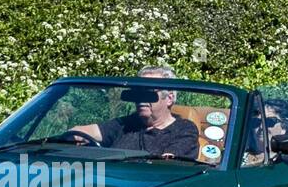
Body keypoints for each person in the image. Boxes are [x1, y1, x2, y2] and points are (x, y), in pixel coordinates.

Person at [70, 66, 199, 160]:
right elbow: (81, 132)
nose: (141, 97)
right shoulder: (125, 125)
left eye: (149, 92)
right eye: (138, 91)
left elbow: (168, 162)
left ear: (169, 98)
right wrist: (67, 138)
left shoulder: (184, 129)